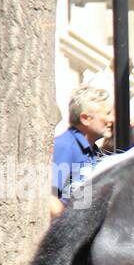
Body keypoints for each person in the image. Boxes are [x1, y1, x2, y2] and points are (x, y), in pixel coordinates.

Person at [51, 86, 114, 216]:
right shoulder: (65, 146)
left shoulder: (93, 151)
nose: (111, 120)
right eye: (107, 114)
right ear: (85, 119)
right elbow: (49, 198)